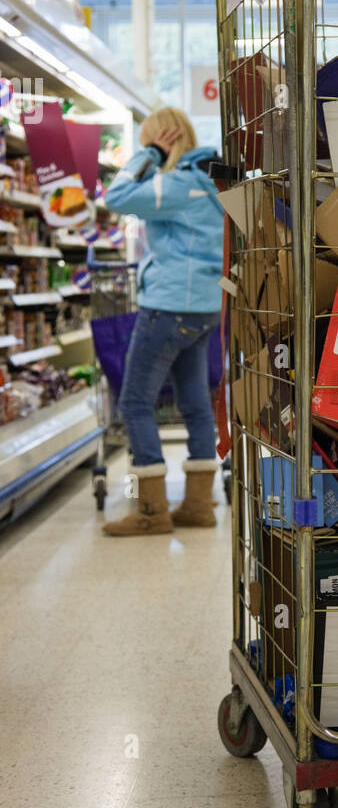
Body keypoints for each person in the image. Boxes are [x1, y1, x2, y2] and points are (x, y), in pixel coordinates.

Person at [100, 106, 224, 537]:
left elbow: (115, 197)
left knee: (134, 402)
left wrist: (148, 155)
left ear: (162, 140)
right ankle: (197, 506)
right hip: (205, 308)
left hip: (168, 307)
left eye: (149, 141)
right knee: (195, 403)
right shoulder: (211, 181)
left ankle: (151, 513)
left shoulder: (176, 184)